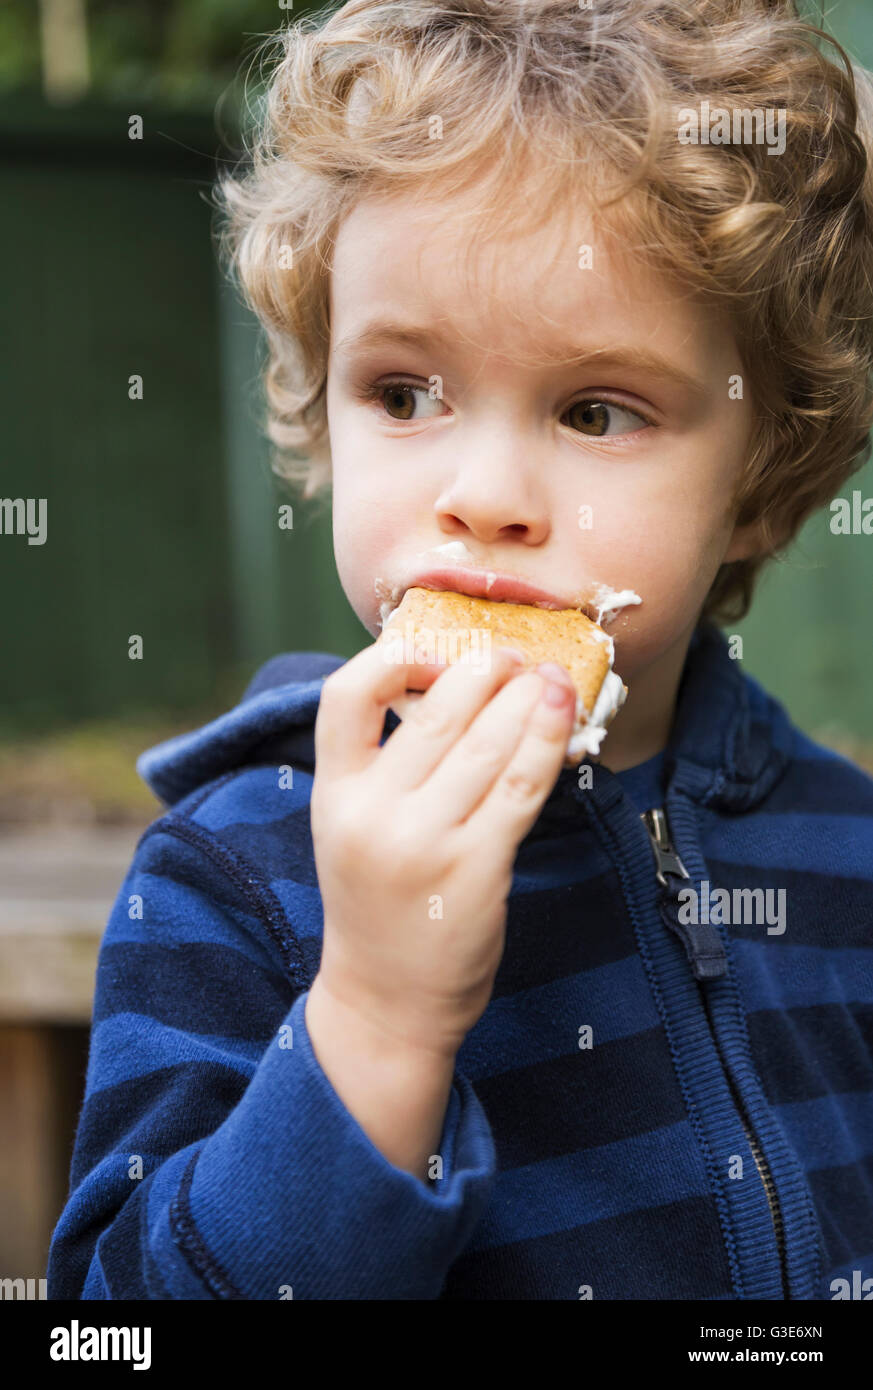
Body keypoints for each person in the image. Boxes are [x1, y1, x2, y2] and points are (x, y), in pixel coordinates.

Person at [49, 0, 873, 1299]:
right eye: (404, 392)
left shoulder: (845, 850)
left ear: (762, 486)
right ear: (321, 409)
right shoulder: (235, 876)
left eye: (596, 409)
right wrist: (374, 1017)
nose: (483, 492)